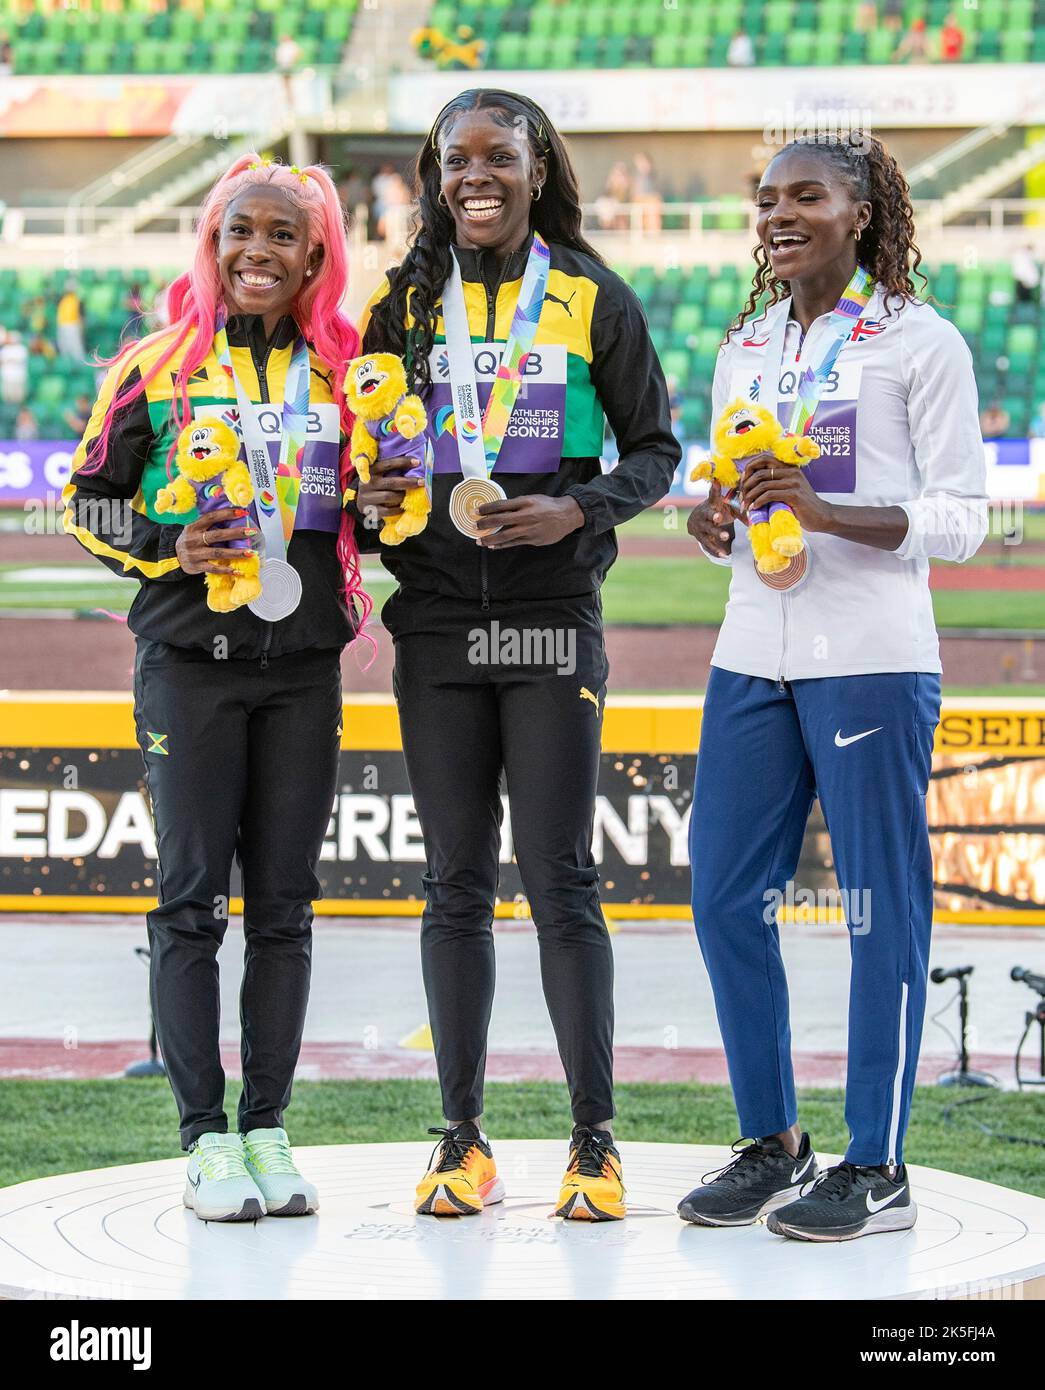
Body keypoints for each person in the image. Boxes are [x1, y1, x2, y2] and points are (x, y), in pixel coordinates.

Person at [354, 87, 680, 1221]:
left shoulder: (592, 295)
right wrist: (372, 492)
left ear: (539, 168)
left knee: (560, 882)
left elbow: (656, 452)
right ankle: (461, 1141)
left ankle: (594, 1142)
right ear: (435, 173)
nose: (474, 177)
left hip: (548, 624)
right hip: (437, 625)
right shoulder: (401, 305)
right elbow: (366, 468)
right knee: (451, 885)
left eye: (500, 157)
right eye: (456, 160)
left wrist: (578, 512)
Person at [680, 133, 987, 1241]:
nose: (778, 214)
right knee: (721, 895)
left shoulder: (919, 341)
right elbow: (720, 484)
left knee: (878, 910)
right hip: (750, 652)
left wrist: (825, 511)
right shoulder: (745, 343)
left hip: (873, 658)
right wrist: (712, 520)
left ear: (861, 213)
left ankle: (878, 1163)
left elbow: (964, 514)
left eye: (805, 195)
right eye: (765, 199)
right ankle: (772, 1142)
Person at [62, 154, 369, 1224]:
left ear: (314, 257)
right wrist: (163, 541)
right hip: (188, 671)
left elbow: (365, 520)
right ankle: (203, 1139)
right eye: (241, 230)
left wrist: (387, 498)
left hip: (302, 674)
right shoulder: (153, 368)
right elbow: (82, 505)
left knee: (284, 910)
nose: (257, 251)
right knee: (191, 905)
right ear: (213, 239)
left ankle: (269, 1126)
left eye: (282, 235)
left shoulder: (345, 376)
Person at [56, 282, 85, 361]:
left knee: (76, 348)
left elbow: (81, 317)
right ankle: (66, 364)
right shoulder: (62, 300)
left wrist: (81, 329)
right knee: (63, 347)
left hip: (73, 326)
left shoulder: (77, 300)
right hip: (62, 325)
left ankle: (79, 365)